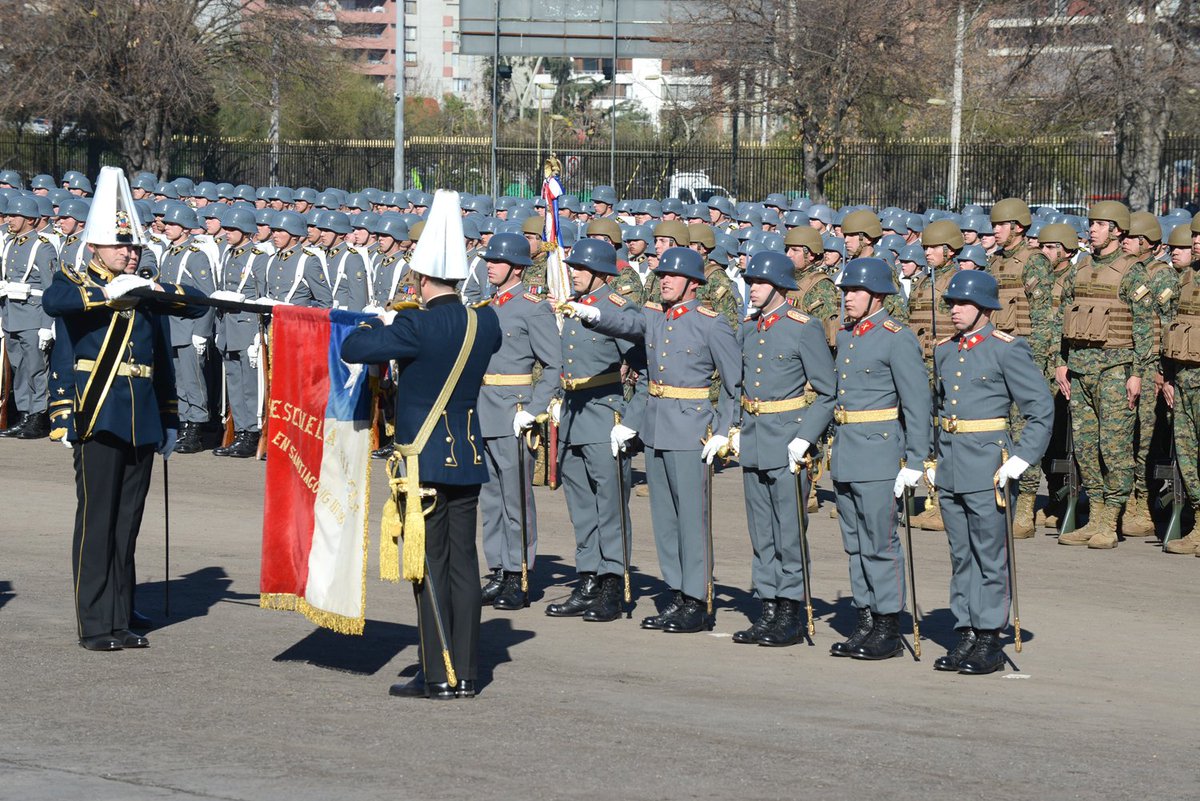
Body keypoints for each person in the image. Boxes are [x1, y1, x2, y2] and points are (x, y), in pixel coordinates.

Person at [341, 190, 502, 699]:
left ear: (420, 279)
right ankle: (466, 672)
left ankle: (437, 675)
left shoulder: (414, 323)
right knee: (464, 567)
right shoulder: (486, 322)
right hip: (468, 457)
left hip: (423, 462)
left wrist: (379, 322)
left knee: (429, 565)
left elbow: (354, 347)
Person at [42, 166, 205, 651]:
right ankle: (95, 623)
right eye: (120, 247)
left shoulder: (143, 289)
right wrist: (105, 293)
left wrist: (170, 419)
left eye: (133, 247)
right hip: (97, 416)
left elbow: (194, 309)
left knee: (127, 524)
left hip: (142, 420)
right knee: (98, 523)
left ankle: (121, 613)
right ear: (94, 246)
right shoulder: (75, 281)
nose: (129, 254)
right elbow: (56, 302)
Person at [566, 247, 741, 633]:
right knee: (665, 521)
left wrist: (726, 428)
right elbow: (624, 322)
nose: (664, 280)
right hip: (657, 427)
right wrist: (592, 314)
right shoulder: (653, 316)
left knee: (692, 521)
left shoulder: (711, 324)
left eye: (672, 276)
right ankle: (676, 592)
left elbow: (733, 382)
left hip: (692, 430)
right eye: (661, 275)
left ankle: (696, 599)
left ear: (693, 283)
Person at [929, 270, 1053, 674]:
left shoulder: (1007, 349)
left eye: (962, 303)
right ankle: (965, 631)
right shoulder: (945, 350)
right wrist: (930, 458)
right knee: (961, 554)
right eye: (951, 303)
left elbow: (1040, 408)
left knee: (989, 554)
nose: (954, 310)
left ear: (984, 307)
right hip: (951, 464)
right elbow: (938, 408)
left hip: (988, 466)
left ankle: (988, 638)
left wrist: (1021, 458)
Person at [731, 251, 835, 646]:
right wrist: (734, 427)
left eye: (759, 282)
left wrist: (805, 437)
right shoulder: (749, 328)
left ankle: (791, 610)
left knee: (789, 531)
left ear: (778, 286)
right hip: (755, 438)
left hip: (788, 440)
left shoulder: (803, 327)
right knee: (761, 532)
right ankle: (768, 606)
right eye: (750, 282)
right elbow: (737, 384)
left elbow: (827, 392)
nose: (752, 289)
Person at [829, 257, 930, 660]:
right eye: (846, 291)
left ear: (877, 296)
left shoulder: (896, 337)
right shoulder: (847, 336)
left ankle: (888, 624)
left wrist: (916, 459)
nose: (848, 298)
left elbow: (917, 403)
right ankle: (865, 618)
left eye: (856, 291)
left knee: (880, 542)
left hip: (879, 452)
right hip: (847, 452)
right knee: (855, 544)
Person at [545, 239, 646, 622]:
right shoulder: (575, 306)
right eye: (573, 267)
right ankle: (587, 578)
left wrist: (632, 418)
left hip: (604, 414)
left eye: (582, 268)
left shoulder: (614, 308)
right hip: (573, 414)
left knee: (610, 506)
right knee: (582, 507)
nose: (574, 273)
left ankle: (612, 584)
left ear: (601, 273)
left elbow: (643, 360)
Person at [1055, 202, 1154, 548]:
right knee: (1085, 447)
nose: (1092, 229)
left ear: (1117, 230)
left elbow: (1145, 328)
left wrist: (1137, 373)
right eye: (1091, 223)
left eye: (1100, 224)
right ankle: (1094, 514)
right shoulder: (1080, 267)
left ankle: (1111, 520)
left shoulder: (1132, 271)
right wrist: (1060, 361)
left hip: (1115, 370)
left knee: (1114, 448)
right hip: (1079, 368)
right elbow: (1062, 315)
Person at [476, 231, 562, 611]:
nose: (490, 266)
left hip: (515, 412)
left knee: (516, 499)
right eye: (489, 260)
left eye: (497, 261)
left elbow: (554, 365)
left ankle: (519, 573)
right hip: (485, 409)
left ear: (516, 268)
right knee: (491, 499)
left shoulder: (532, 307)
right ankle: (498, 568)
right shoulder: (487, 305)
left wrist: (534, 408)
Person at [987, 199, 1057, 536]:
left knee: (1024, 432)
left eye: (1001, 225)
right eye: (994, 225)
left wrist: (1038, 365)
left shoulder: (1034, 262)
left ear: (1017, 227)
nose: (995, 230)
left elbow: (1044, 318)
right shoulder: (994, 262)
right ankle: (1002, 498)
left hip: (1025, 359)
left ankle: (1025, 505)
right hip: (996, 359)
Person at [0, 195, 57, 439]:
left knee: (36, 369)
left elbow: (50, 290)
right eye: (9, 215)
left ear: (31, 220)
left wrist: (47, 325)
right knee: (19, 368)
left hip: (34, 317)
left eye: (15, 216)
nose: (9, 219)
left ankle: (38, 417)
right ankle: (24, 414)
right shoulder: (10, 244)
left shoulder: (42, 247)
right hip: (11, 316)